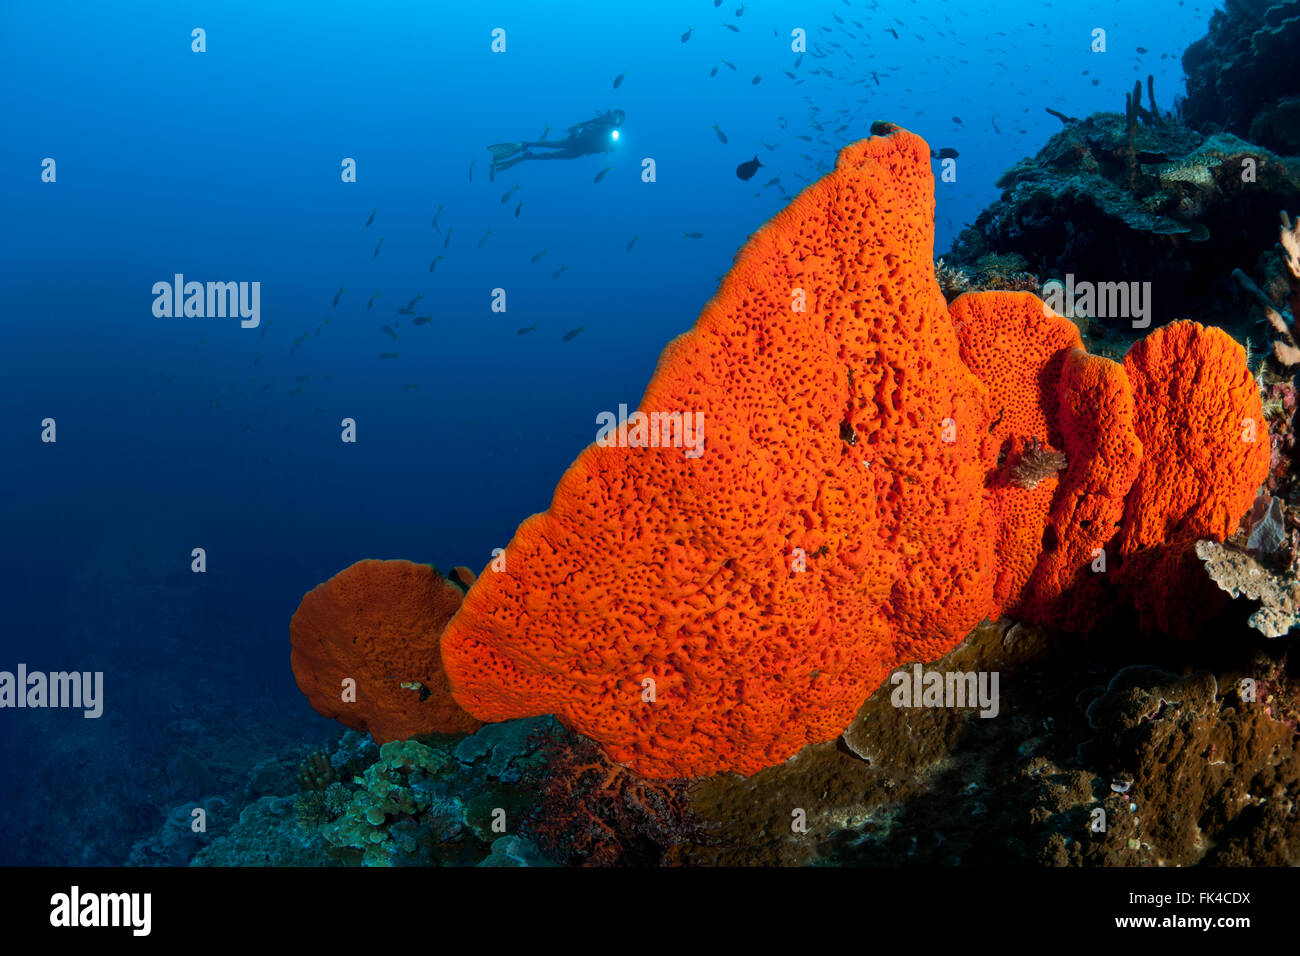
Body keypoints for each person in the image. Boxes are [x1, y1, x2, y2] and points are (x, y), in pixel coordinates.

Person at [488, 110, 625, 180]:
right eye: (616, 115)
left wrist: (611, 147)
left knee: (550, 154)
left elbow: (611, 149)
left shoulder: (613, 133)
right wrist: (574, 129)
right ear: (613, 114)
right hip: (575, 142)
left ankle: (526, 155)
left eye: (620, 117)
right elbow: (582, 124)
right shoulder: (601, 120)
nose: (617, 118)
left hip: (578, 151)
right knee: (549, 145)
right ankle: (522, 146)